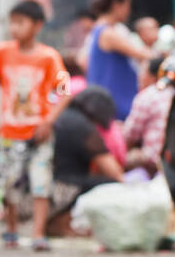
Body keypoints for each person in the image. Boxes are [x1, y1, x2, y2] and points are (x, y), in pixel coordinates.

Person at [0, 0, 70, 250]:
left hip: (38, 132)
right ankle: (11, 229)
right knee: (10, 185)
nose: (14, 28)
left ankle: (38, 233)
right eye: (12, 22)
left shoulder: (49, 57)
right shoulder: (2, 51)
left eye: (20, 22)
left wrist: (48, 120)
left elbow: (65, 90)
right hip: (9, 132)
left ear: (37, 25)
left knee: (41, 183)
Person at [47, 85, 124, 234]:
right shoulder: (83, 126)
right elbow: (114, 172)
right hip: (64, 191)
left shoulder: (62, 116)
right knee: (113, 185)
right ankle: (63, 223)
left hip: (43, 190)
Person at [84, 0, 152, 121]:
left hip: (109, 105)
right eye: (127, 5)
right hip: (114, 108)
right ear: (116, 4)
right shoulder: (108, 33)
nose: (129, 10)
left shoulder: (103, 30)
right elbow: (142, 54)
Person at [122, 56, 173, 176]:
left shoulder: (148, 95)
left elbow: (130, 135)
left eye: (143, 71)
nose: (139, 76)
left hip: (153, 162)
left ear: (153, 76)